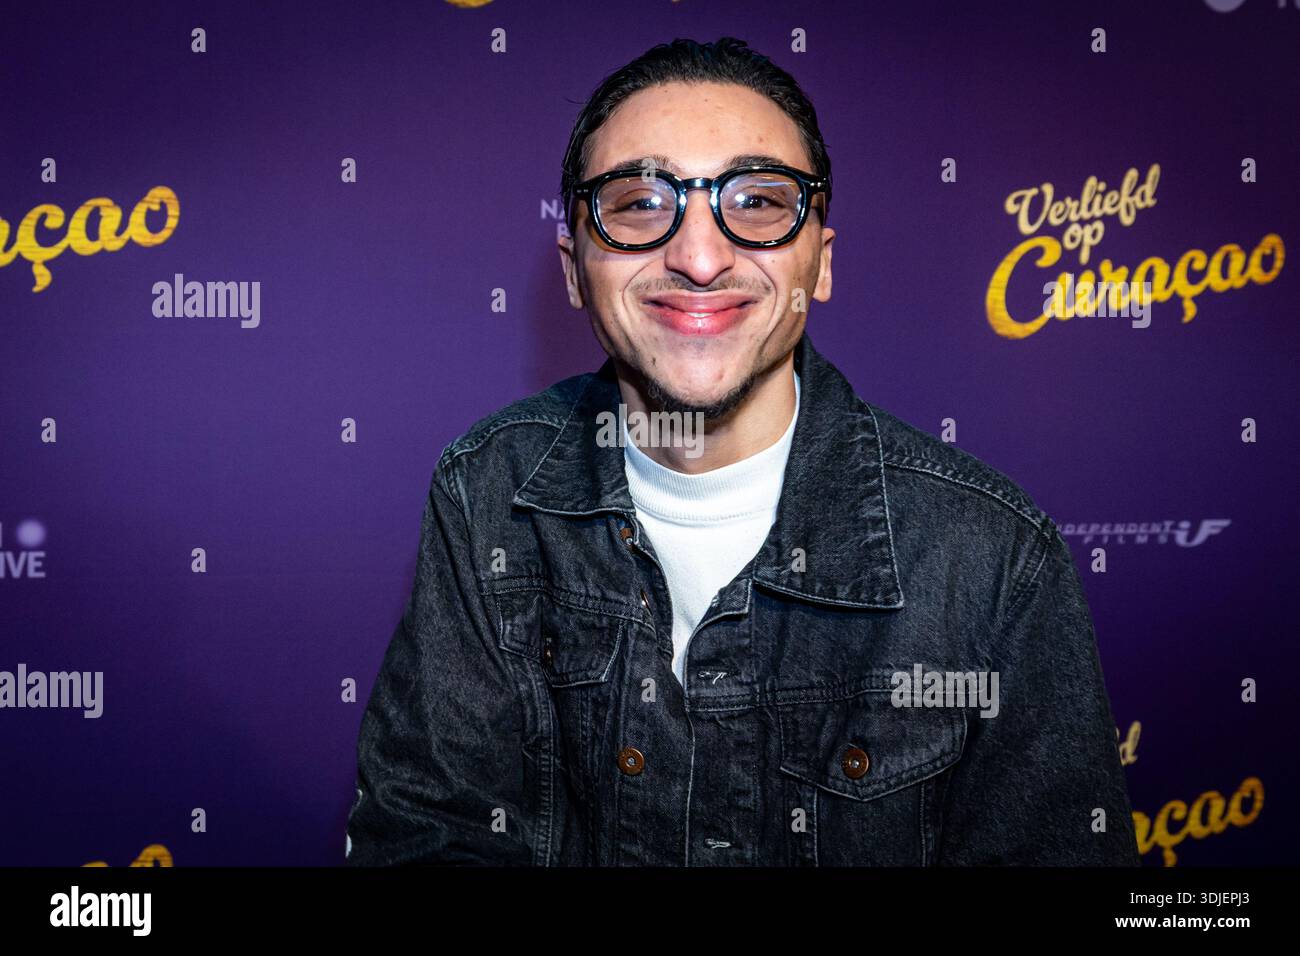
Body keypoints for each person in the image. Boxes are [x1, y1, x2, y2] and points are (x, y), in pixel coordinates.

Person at [345, 36, 1139, 866]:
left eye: (759, 202)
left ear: (820, 263)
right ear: (575, 269)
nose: (698, 256)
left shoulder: (992, 557)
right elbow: (425, 836)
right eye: (640, 202)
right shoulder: (485, 494)